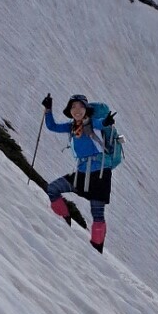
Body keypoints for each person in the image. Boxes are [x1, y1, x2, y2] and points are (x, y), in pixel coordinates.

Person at [41, 92, 117, 252]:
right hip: (82, 173)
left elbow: (101, 124)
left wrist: (107, 121)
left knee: (97, 213)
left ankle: (97, 249)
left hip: (100, 174)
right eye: (73, 107)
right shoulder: (71, 126)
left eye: (81, 107)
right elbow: (52, 126)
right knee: (53, 189)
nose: (77, 110)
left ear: (86, 109)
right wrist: (48, 109)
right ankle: (63, 221)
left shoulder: (92, 122)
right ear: (69, 110)